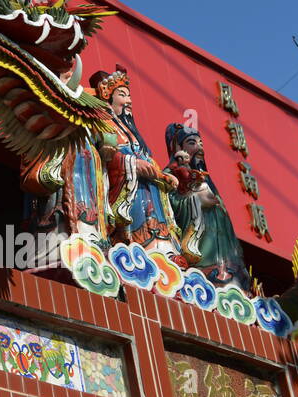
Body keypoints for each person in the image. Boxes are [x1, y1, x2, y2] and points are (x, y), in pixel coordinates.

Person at [89, 66, 185, 263]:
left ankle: (163, 245)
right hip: (127, 183)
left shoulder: (131, 131)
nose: (129, 101)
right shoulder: (105, 124)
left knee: (155, 197)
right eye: (123, 95)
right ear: (109, 97)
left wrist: (164, 175)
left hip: (149, 186)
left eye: (129, 96)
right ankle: (140, 243)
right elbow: (107, 157)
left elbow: (148, 159)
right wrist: (131, 164)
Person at [164, 123, 249, 289]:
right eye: (192, 143)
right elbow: (169, 203)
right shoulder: (172, 172)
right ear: (178, 148)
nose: (199, 148)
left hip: (226, 257)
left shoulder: (207, 179)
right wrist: (194, 198)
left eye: (201, 143)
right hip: (203, 260)